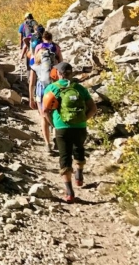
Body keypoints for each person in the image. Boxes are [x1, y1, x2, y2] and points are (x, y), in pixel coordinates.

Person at [42, 62, 97, 203]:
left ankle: (69, 191)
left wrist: (53, 124)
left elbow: (45, 111)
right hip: (80, 126)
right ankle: (79, 175)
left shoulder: (52, 88)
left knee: (64, 157)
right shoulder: (80, 88)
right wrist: (83, 119)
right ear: (71, 73)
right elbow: (93, 109)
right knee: (79, 149)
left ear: (58, 74)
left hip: (62, 127)